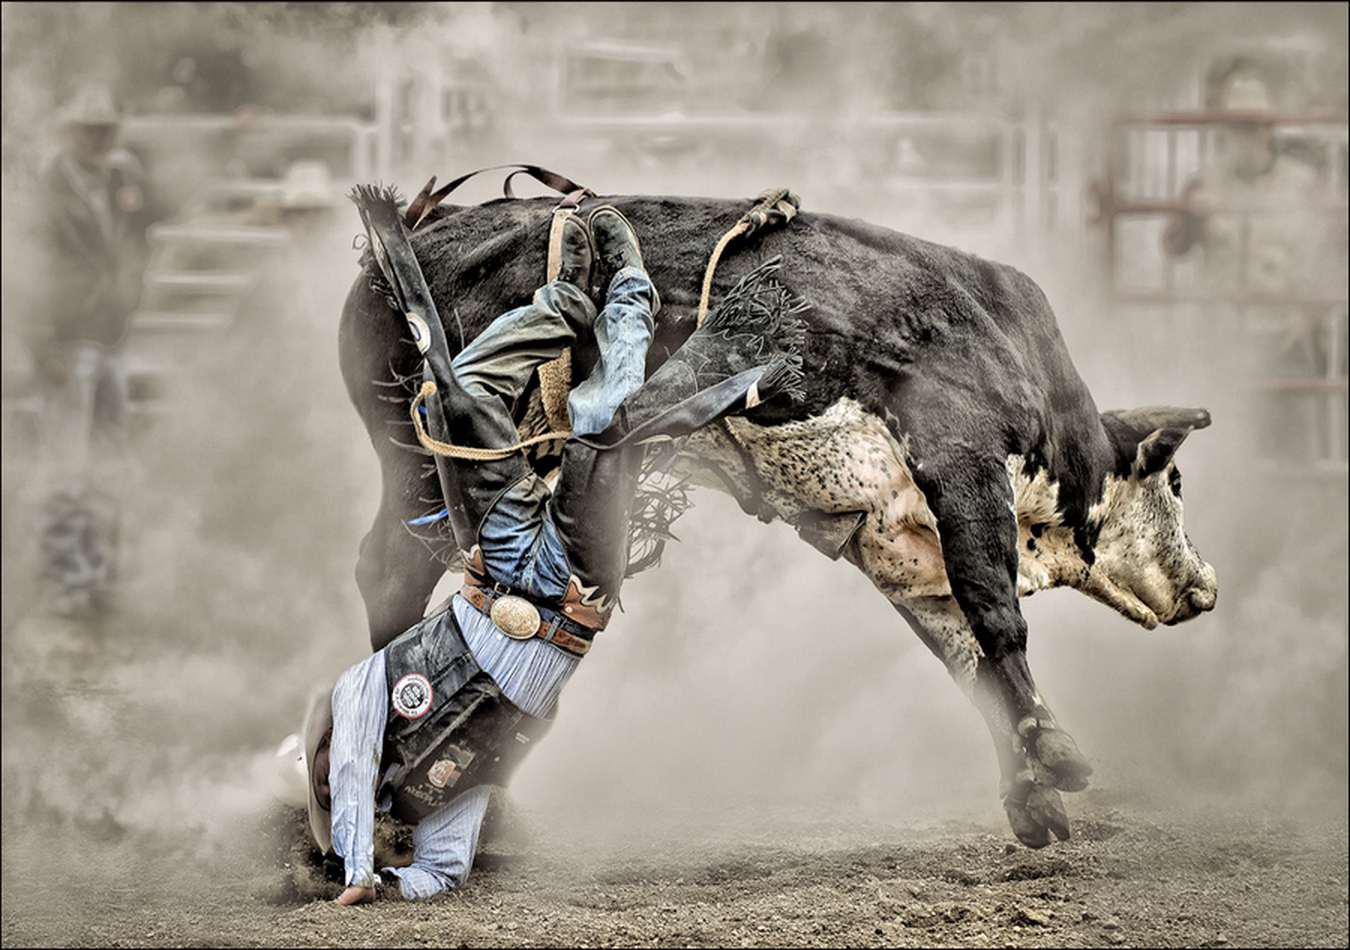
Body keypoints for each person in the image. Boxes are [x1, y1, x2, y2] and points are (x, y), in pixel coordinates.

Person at [305, 197, 804, 904]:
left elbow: (355, 765)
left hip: (502, 559)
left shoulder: (362, 697)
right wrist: (385, 884)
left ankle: (566, 304)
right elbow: (441, 870)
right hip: (567, 590)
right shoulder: (439, 790)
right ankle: (639, 297)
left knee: (457, 388)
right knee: (604, 424)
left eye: (323, 768)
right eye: (326, 780)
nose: (332, 773)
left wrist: (355, 864)